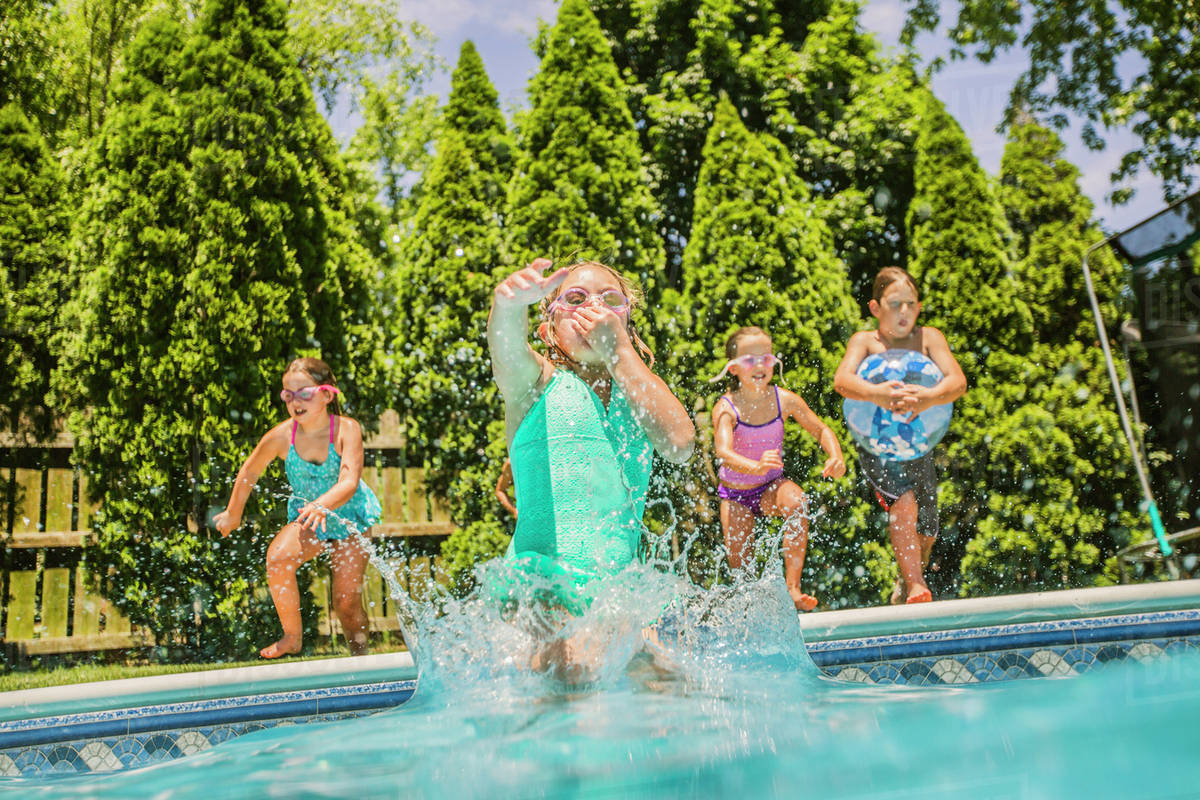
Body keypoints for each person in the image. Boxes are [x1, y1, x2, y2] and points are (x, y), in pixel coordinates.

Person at [488, 257, 695, 678]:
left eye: (609, 300)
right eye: (575, 299)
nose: (591, 309)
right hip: (539, 591)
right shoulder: (533, 383)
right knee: (578, 670)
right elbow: (505, 346)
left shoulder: (636, 393)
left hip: (613, 600)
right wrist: (508, 306)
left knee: (673, 692)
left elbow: (680, 445)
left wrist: (619, 350)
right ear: (548, 329)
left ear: (627, 324)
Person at [214, 357, 382, 658]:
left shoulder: (346, 430)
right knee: (277, 558)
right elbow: (250, 470)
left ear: (327, 395)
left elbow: (349, 481)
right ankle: (292, 636)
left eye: (304, 393)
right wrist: (233, 513)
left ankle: (361, 658)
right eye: (288, 394)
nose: (295, 401)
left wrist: (322, 504)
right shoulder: (281, 436)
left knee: (346, 603)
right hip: (309, 518)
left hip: (349, 520)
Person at [833, 267, 966, 604]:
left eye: (910, 304)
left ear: (919, 306)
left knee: (927, 529)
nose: (904, 312)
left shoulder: (929, 339)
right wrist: (876, 394)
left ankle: (906, 581)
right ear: (876, 308)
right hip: (879, 445)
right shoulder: (864, 342)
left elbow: (956, 382)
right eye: (895, 304)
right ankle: (917, 583)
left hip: (919, 444)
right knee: (903, 504)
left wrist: (927, 398)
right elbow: (843, 381)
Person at [710, 326, 846, 611]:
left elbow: (820, 429)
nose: (759, 365)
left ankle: (793, 588)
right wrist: (756, 466)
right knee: (742, 578)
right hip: (736, 496)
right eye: (750, 360)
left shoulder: (784, 400)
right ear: (733, 368)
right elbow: (723, 451)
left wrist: (835, 454)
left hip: (770, 488)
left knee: (798, 502)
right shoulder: (726, 408)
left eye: (766, 358)